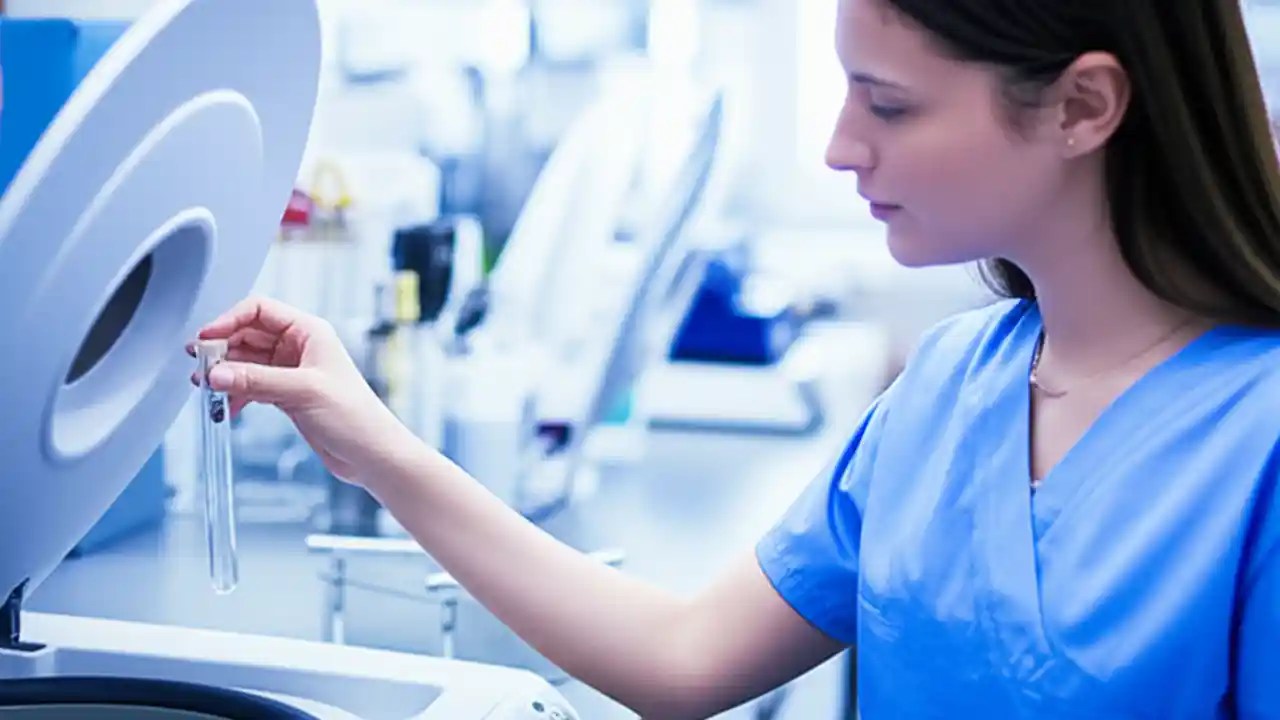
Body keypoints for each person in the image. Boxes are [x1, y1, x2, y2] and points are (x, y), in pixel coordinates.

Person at [193, 0, 1280, 717]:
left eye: (888, 103)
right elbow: (681, 658)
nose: (838, 145)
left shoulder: (1254, 443)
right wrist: (372, 442)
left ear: (1082, 106)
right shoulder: (950, 388)